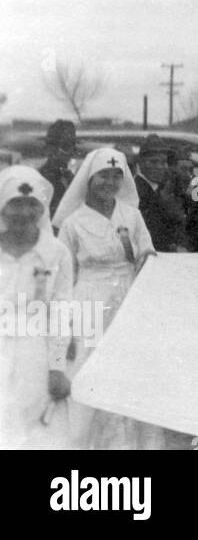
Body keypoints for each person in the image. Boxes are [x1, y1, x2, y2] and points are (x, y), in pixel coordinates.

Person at [51, 148, 162, 449]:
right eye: (103, 175)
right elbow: (62, 277)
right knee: (89, 371)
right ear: (89, 178)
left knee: (130, 373)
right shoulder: (73, 223)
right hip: (89, 301)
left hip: (128, 300)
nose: (109, 182)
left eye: (117, 176)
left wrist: (147, 259)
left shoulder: (132, 215)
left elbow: (146, 254)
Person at [0, 166, 75, 448]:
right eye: (15, 204)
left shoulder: (56, 253)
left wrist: (57, 367)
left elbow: (60, 309)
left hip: (35, 352)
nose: (24, 212)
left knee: (36, 433)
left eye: (32, 204)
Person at [133, 134, 190, 252]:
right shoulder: (135, 192)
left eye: (164, 162)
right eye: (153, 162)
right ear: (140, 163)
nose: (160, 167)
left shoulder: (165, 190)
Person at [38, 119, 77, 217]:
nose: (71, 152)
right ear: (48, 149)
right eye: (66, 146)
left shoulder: (72, 179)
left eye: (72, 146)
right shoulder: (38, 180)